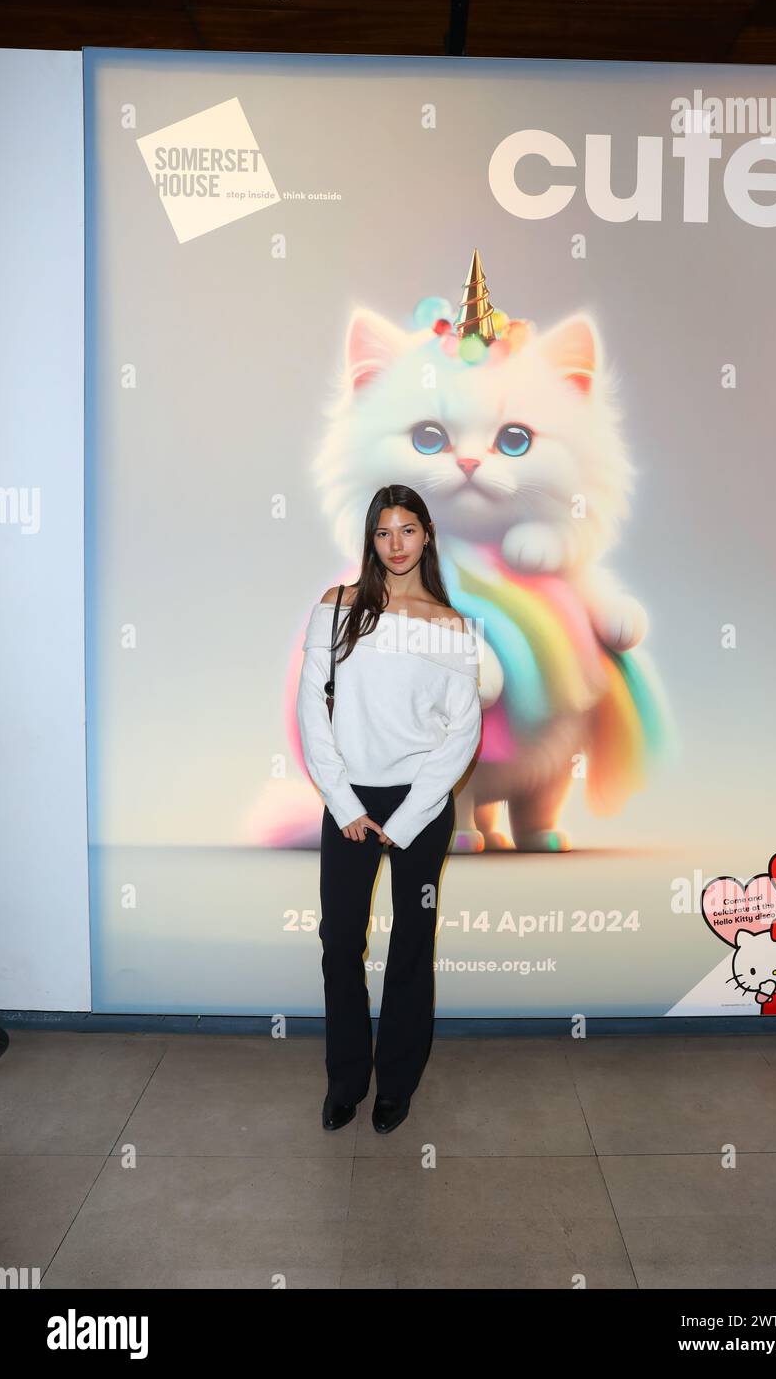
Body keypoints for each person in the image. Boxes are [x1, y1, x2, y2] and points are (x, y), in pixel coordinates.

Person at [296, 485, 482, 1134]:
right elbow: (310, 715)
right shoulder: (337, 607)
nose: (395, 544)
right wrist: (344, 804)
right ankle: (347, 1078)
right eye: (383, 532)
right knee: (340, 941)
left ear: (427, 534)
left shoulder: (453, 627)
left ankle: (397, 1083)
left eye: (407, 530)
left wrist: (403, 825)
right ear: (370, 539)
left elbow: (462, 733)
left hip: (421, 807)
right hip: (349, 801)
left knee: (411, 943)